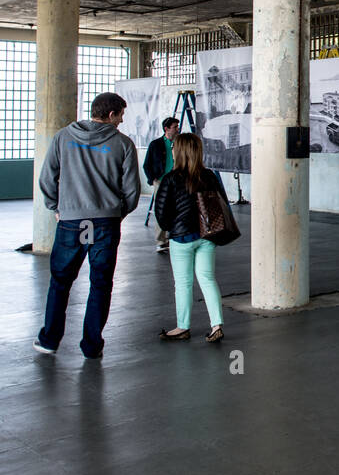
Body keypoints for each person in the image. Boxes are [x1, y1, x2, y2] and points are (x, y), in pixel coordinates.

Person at [34, 92, 141, 359]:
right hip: (105, 223)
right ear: (112, 114)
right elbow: (131, 191)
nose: (122, 120)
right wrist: (115, 213)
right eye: (121, 115)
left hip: (70, 222)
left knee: (60, 282)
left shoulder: (63, 137)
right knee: (101, 283)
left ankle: (49, 340)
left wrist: (56, 208)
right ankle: (92, 345)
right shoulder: (123, 144)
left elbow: (47, 178)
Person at [153, 133, 228, 343]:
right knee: (208, 279)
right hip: (207, 236)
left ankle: (183, 327)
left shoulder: (170, 179)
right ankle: (216, 325)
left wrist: (171, 229)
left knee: (183, 283)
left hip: (181, 238)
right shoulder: (210, 176)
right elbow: (220, 204)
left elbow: (161, 212)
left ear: (178, 151)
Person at [143, 117, 180, 252]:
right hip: (161, 181)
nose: (177, 129)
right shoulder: (155, 144)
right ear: (166, 129)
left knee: (178, 209)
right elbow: (146, 164)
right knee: (161, 210)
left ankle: (175, 237)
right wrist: (152, 179)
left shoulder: (180, 143)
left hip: (177, 181)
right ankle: (161, 241)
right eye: (175, 127)